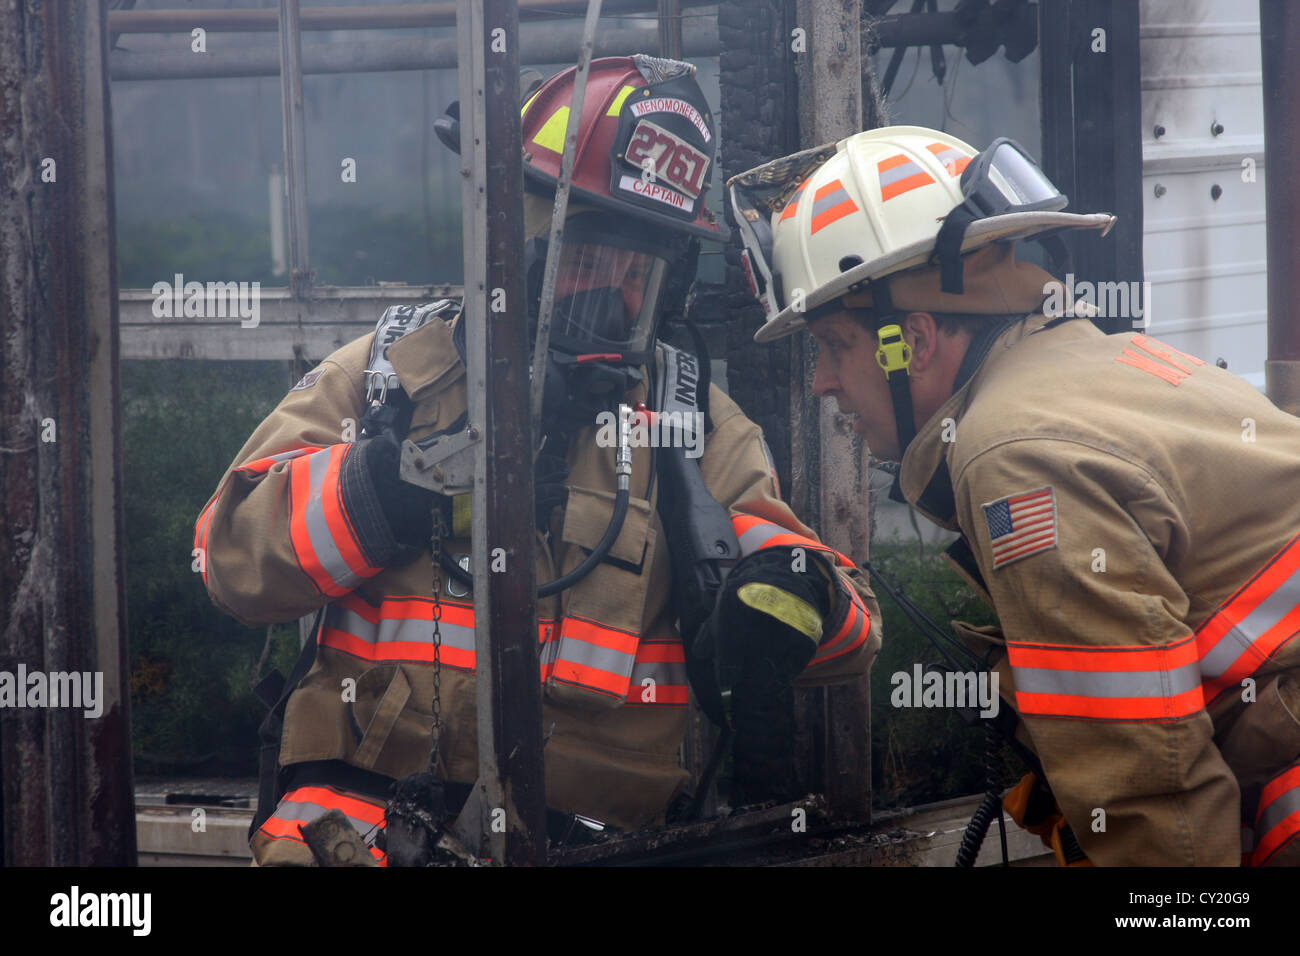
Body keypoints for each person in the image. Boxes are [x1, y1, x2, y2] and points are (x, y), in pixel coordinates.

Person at [195, 55, 880, 866]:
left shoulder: (689, 422)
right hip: (359, 838)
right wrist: (377, 491)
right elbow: (226, 561)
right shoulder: (386, 377)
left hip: (598, 847)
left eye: (642, 273)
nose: (617, 299)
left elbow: (852, 635)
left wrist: (785, 595)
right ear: (511, 242)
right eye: (591, 263)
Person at [730, 125, 1300, 866]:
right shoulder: (1099, 358)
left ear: (916, 342)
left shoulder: (1011, 454)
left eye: (835, 345)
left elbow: (1150, 794)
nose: (822, 384)